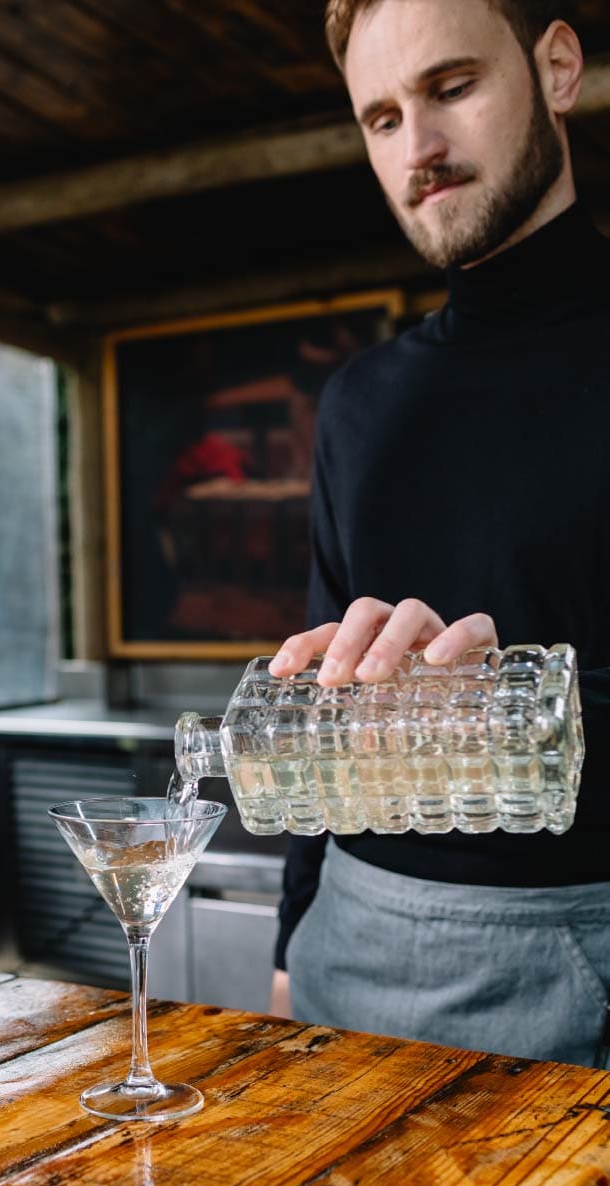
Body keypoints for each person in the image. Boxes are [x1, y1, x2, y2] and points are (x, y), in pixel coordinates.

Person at [268, 0, 610, 1067]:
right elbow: (321, 685)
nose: (416, 146)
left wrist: (494, 704)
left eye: (450, 87)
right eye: (379, 117)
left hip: (577, 952)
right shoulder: (357, 402)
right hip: (343, 942)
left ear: (555, 67)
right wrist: (289, 940)